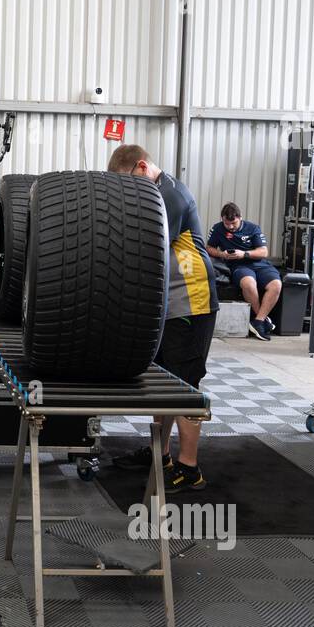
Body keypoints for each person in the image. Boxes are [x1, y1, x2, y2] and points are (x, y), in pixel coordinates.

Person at [105, 145, 216, 492]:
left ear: (142, 166)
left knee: (185, 386)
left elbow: (145, 245)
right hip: (170, 302)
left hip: (191, 301)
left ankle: (189, 467)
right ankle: (161, 453)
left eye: (129, 184)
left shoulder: (167, 194)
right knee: (166, 383)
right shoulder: (156, 190)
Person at [206, 202, 281, 342]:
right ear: (222, 219)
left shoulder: (253, 228)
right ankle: (261, 322)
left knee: (276, 284)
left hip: (259, 264)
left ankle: (258, 321)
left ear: (240, 218)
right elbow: (209, 248)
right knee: (249, 284)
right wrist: (222, 254)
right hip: (238, 266)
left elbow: (263, 251)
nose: (230, 227)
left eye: (233, 223)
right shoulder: (217, 229)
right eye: (226, 223)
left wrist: (244, 254)